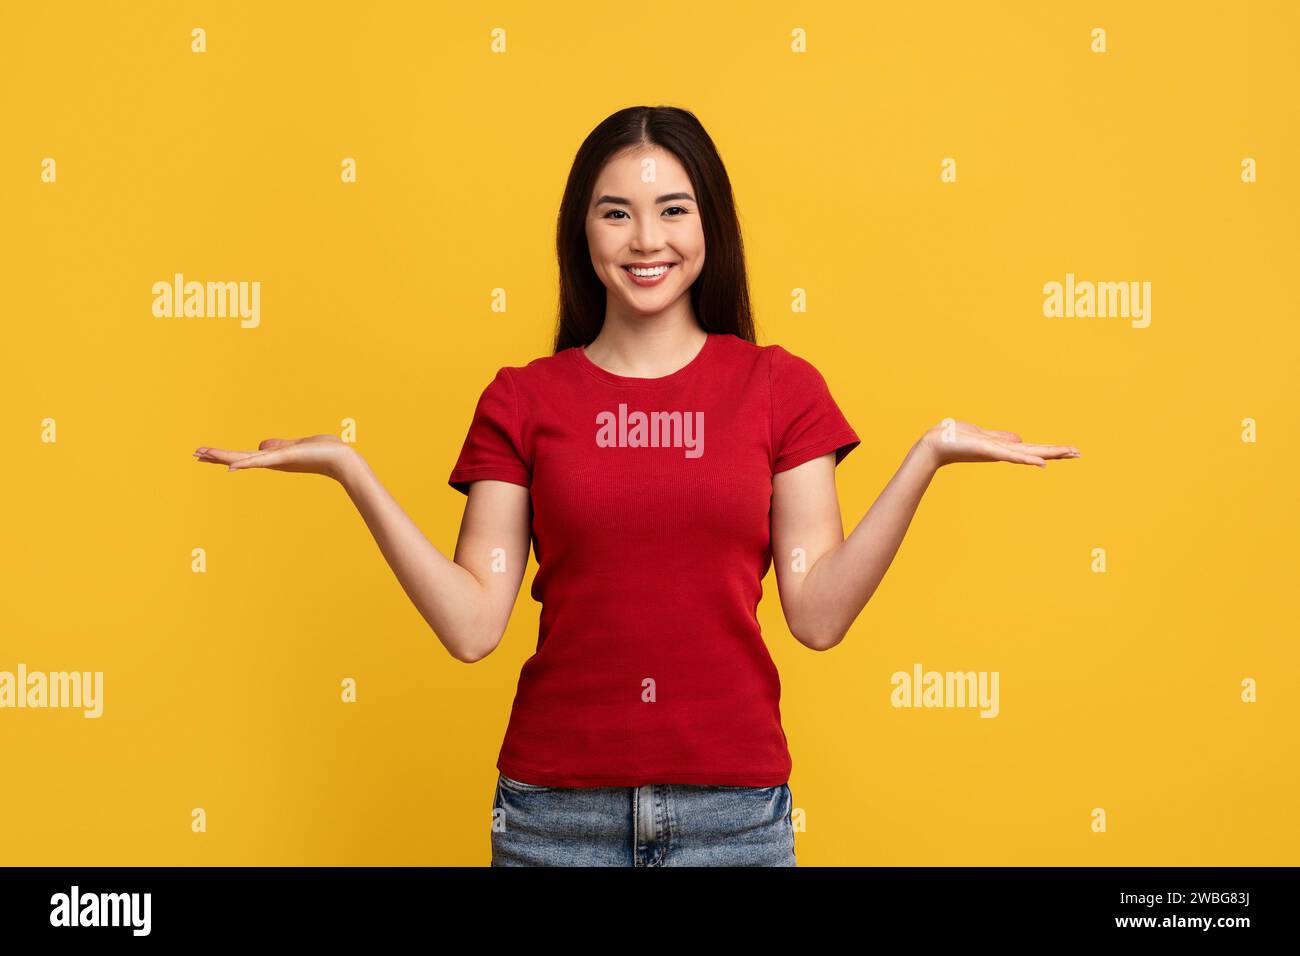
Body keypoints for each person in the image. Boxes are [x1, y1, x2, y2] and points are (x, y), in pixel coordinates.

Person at [193, 105, 1080, 867]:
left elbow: (816, 616)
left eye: (672, 210)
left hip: (734, 817)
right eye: (616, 213)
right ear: (583, 231)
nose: (646, 239)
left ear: (710, 226)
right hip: (553, 816)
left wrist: (926, 456)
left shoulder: (780, 388)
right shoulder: (524, 399)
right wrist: (353, 472)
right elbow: (471, 627)